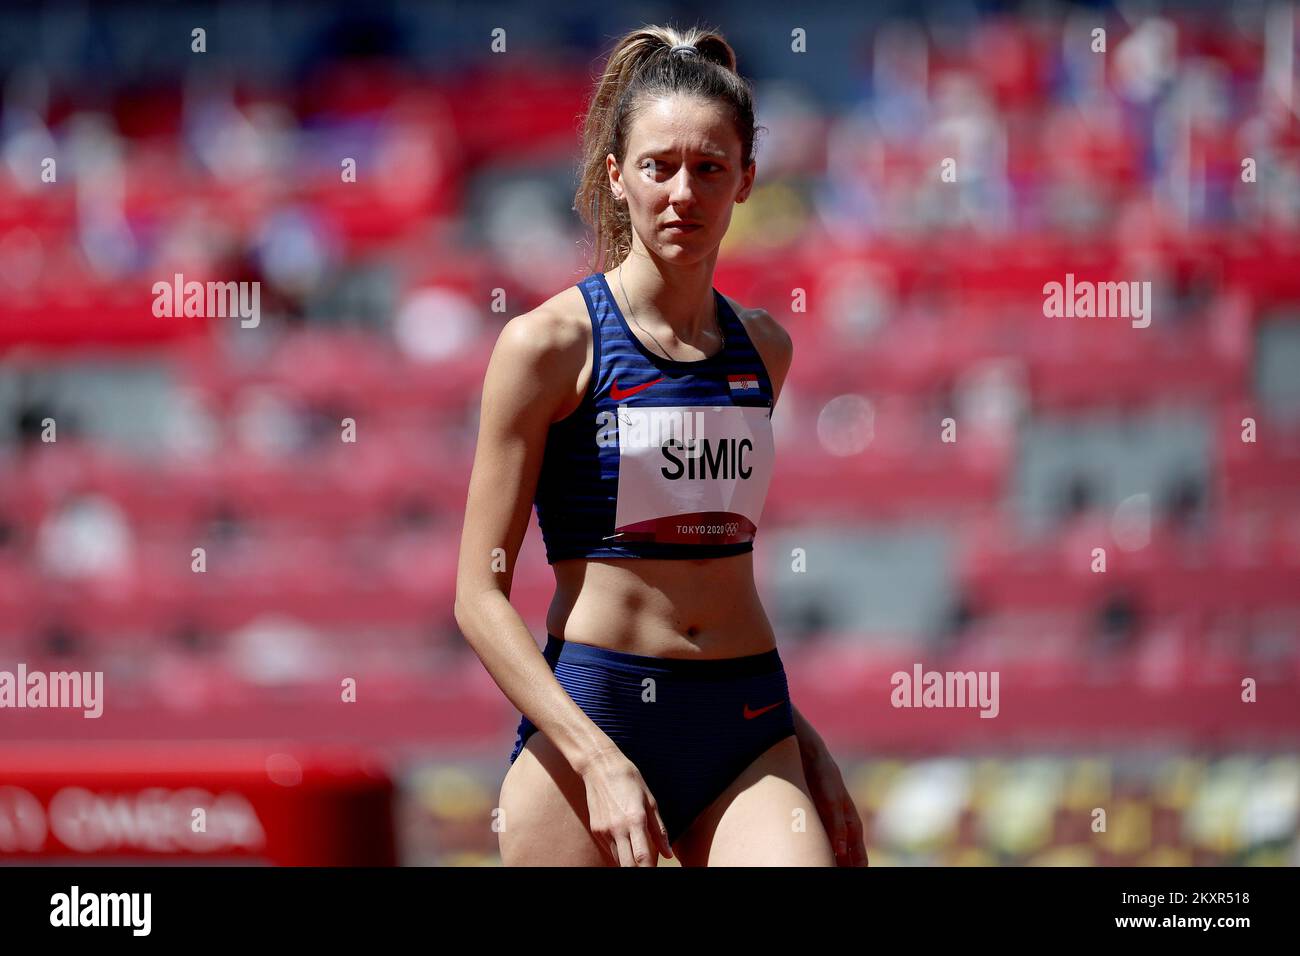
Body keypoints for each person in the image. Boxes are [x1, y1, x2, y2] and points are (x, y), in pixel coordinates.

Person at [454, 24, 868, 867]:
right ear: (617, 176)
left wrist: (804, 741)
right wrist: (597, 760)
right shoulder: (548, 346)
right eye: (659, 166)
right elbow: (477, 596)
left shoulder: (765, 350)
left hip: (749, 729)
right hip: (595, 721)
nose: (684, 192)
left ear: (746, 179)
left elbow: (709, 580)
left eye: (710, 168)